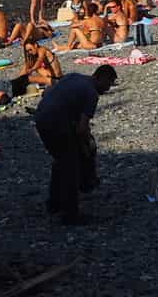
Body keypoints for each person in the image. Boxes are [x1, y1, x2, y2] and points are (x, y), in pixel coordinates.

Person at [33, 66, 117, 224]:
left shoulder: (73, 76)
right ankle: (70, 215)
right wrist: (88, 147)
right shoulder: (92, 93)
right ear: (100, 78)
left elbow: (48, 92)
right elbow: (82, 128)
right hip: (56, 123)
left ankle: (54, 203)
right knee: (71, 166)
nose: (108, 88)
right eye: (109, 83)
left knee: (60, 161)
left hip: (41, 118)